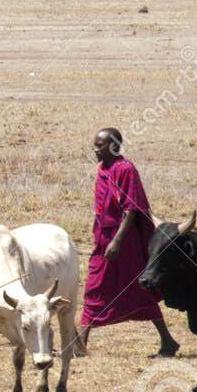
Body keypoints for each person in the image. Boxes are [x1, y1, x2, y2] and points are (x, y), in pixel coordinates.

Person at [76, 128, 177, 357]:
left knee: (117, 287)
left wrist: (117, 242)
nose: (95, 149)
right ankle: (168, 340)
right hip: (103, 238)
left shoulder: (125, 169)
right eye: (95, 144)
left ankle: (80, 343)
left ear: (113, 146)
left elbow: (131, 209)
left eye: (99, 145)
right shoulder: (103, 168)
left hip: (123, 240)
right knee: (96, 285)